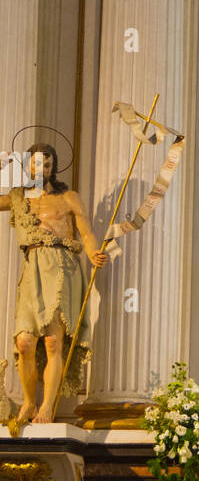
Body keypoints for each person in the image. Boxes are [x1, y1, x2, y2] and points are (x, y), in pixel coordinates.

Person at [0, 144, 107, 423]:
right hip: (33, 264)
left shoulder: (68, 197)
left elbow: (85, 232)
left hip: (62, 267)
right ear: (27, 166)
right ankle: (27, 403)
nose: (41, 170)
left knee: (52, 343)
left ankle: (47, 406)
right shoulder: (19, 197)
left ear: (53, 167)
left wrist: (94, 252)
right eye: (35, 165)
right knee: (24, 342)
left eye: (47, 165)